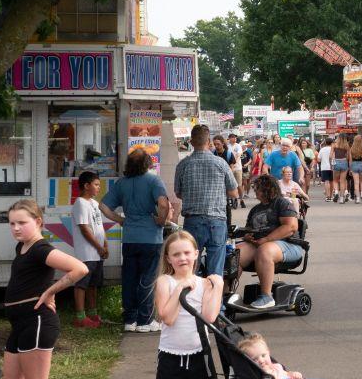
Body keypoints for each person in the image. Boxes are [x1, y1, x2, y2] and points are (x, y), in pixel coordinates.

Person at [0, 200, 89, 379]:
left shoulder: (40, 248)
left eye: (22, 223)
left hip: (37, 322)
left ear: (38, 222)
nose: (15, 228)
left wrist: (51, 291)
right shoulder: (22, 247)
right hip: (19, 324)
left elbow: (79, 268)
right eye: (12, 223)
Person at [143, 231, 224, 379]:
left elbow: (209, 318)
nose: (182, 258)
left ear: (196, 254)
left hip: (198, 356)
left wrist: (217, 286)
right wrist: (180, 287)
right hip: (171, 357)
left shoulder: (204, 283)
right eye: (176, 254)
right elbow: (167, 317)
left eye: (187, 253)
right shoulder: (165, 283)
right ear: (168, 258)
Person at [101, 149, 169, 333]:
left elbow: (103, 206)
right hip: (150, 237)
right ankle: (145, 320)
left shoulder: (121, 183)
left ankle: (130, 319)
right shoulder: (154, 180)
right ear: (147, 163)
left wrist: (120, 220)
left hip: (129, 237)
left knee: (130, 278)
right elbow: (163, 204)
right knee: (148, 278)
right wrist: (161, 221)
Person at [175, 125, 239, 279]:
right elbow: (234, 192)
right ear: (209, 141)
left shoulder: (183, 164)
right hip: (216, 221)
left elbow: (178, 193)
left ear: (191, 142)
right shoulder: (220, 163)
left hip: (192, 221)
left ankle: (191, 300)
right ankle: (214, 302)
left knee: (190, 269)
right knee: (215, 271)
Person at [236, 175, 303, 309]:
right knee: (234, 254)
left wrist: (266, 239)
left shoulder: (282, 203)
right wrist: (247, 236)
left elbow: (291, 227)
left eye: (258, 188)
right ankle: (226, 295)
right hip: (261, 244)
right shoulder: (255, 209)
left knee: (264, 250)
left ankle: (267, 297)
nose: (255, 191)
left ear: (268, 189)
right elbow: (249, 229)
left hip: (288, 245)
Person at [70, 171, 107, 328]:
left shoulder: (94, 203)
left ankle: (93, 314)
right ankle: (80, 317)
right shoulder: (80, 203)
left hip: (97, 254)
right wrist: (99, 247)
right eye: (96, 184)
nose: (99, 188)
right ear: (86, 186)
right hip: (87, 253)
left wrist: (105, 244)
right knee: (82, 284)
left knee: (93, 285)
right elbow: (85, 229)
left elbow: (99, 226)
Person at [227, 134, 246, 209]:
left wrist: (234, 162)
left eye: (235, 138)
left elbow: (238, 155)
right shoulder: (227, 146)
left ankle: (241, 199)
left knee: (239, 185)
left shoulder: (238, 146)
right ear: (229, 139)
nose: (234, 139)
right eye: (233, 138)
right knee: (231, 185)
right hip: (229, 168)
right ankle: (233, 199)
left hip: (237, 168)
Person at [349, 135, 362, 203]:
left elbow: (350, 160)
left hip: (354, 165)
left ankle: (357, 198)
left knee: (356, 182)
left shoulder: (351, 148)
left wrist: (350, 168)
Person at [331, 135, 351, 203]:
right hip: (344, 162)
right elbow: (348, 157)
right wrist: (349, 165)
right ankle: (342, 198)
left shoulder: (334, 145)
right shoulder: (347, 146)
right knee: (342, 181)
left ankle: (336, 192)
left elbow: (330, 156)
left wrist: (331, 165)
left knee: (335, 180)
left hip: (336, 162)